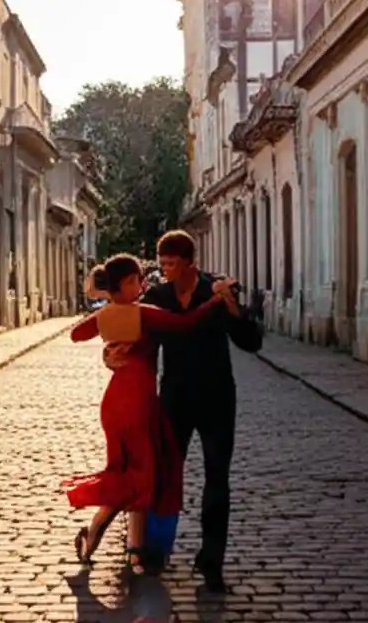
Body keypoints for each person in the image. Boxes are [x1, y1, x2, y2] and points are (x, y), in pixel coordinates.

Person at [63, 253, 239, 576]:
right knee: (141, 474)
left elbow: (76, 334)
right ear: (120, 285)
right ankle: (124, 545)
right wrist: (215, 301)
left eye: (138, 279)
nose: (140, 284)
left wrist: (109, 331)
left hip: (115, 402)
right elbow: (185, 323)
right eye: (132, 281)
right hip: (138, 403)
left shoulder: (111, 315)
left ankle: (113, 543)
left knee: (130, 472)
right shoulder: (144, 313)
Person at [140, 230, 262, 592]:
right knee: (164, 476)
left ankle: (212, 562)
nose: (165, 270)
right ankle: (156, 550)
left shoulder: (217, 290)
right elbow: (139, 338)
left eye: (171, 264)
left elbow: (251, 341)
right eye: (162, 264)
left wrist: (232, 309)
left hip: (216, 398)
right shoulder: (158, 295)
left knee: (216, 481)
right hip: (174, 399)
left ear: (190, 262)